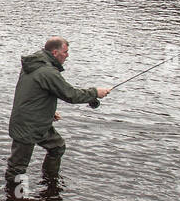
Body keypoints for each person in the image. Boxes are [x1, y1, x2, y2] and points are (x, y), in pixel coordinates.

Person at [6, 37, 110, 182]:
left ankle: (50, 181)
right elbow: (71, 95)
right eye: (65, 52)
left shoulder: (35, 64)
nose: (67, 56)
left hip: (38, 121)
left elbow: (32, 93)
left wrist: (48, 111)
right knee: (17, 168)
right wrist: (95, 93)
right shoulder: (47, 71)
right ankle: (13, 198)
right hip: (27, 125)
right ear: (55, 53)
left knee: (57, 147)